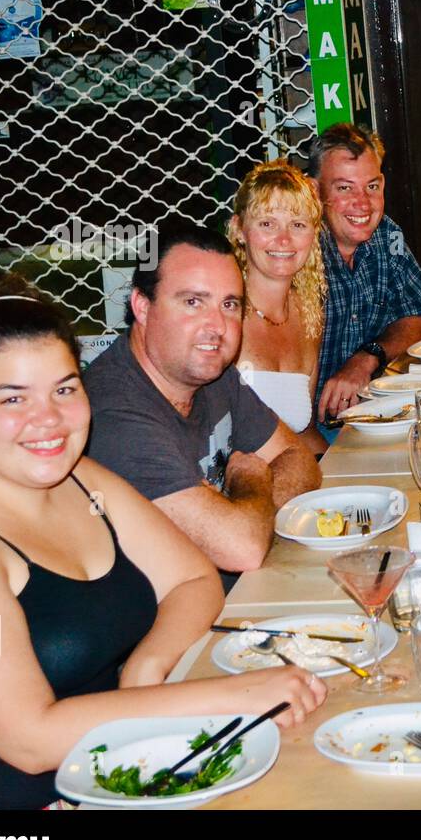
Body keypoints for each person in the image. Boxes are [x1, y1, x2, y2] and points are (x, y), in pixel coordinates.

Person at [0, 273, 325, 809]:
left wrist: (146, 669)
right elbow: (31, 739)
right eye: (12, 398)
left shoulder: (81, 479)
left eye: (64, 388)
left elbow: (193, 580)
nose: (48, 419)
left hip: (117, 776)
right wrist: (231, 696)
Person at [85, 221, 321, 588]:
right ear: (142, 307)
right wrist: (249, 480)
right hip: (168, 631)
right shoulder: (114, 414)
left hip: (242, 594)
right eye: (193, 302)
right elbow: (241, 548)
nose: (217, 326)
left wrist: (236, 512)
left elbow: (299, 458)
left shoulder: (211, 374)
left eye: (229, 305)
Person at [306, 124, 421, 427]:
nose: (363, 203)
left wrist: (367, 358)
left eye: (372, 186)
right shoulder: (296, 252)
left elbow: (418, 315)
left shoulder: (386, 235)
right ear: (314, 191)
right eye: (344, 188)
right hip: (305, 431)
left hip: (366, 417)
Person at [227, 159, 328, 453]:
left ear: (314, 234)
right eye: (267, 223)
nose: (283, 239)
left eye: (297, 225)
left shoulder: (308, 313)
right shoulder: (223, 313)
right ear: (239, 230)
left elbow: (305, 434)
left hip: (294, 483)